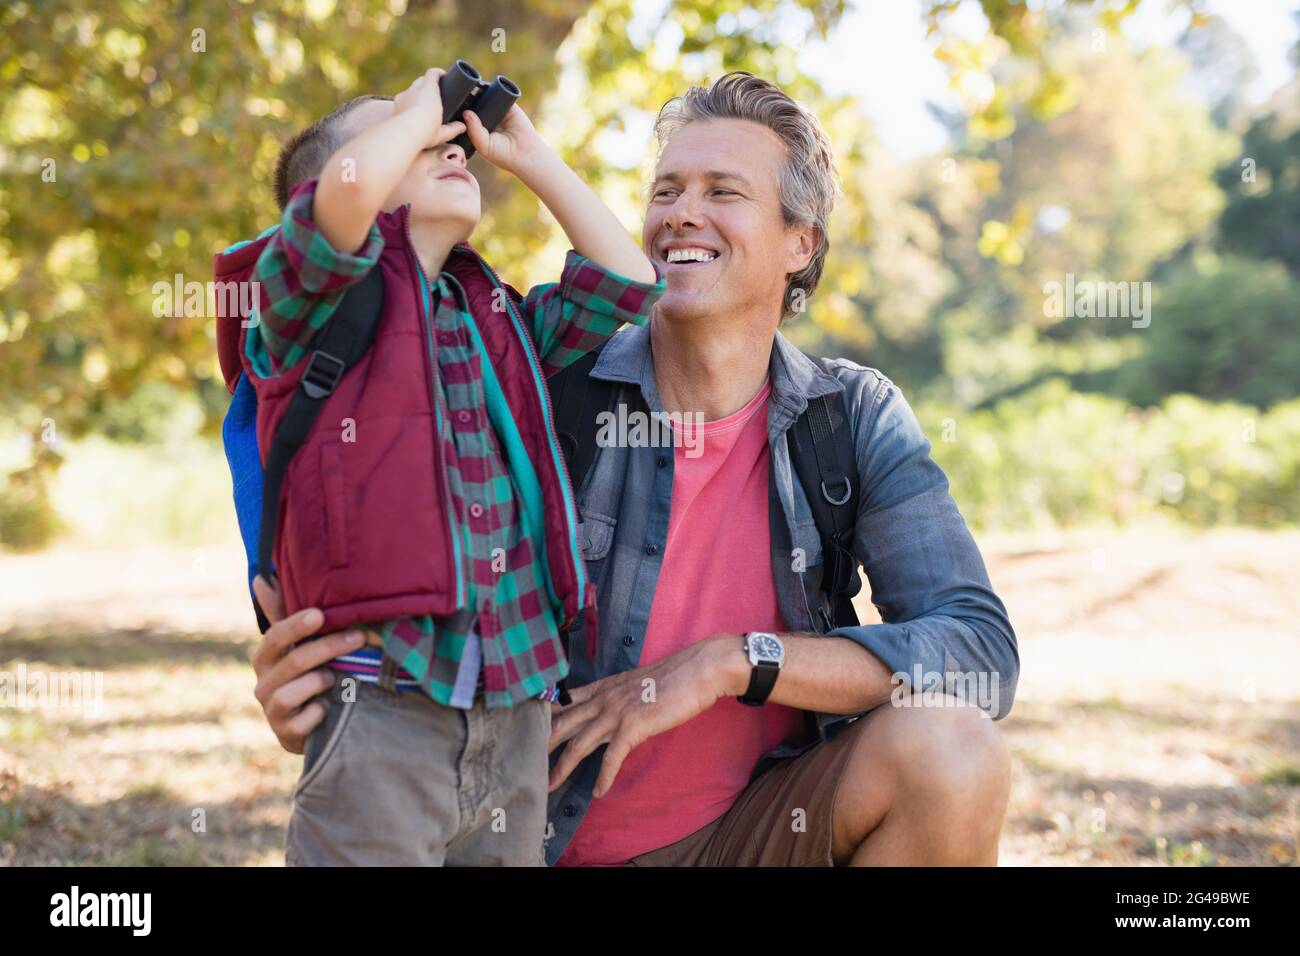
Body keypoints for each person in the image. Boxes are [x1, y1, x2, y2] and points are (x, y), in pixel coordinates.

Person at [243, 71, 1018, 867]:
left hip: (747, 835)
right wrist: (335, 681)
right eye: (668, 189)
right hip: (531, 838)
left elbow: (978, 654)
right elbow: (361, 482)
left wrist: (730, 662)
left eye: (724, 191)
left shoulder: (848, 418)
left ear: (801, 241)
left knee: (953, 754)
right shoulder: (535, 374)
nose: (682, 212)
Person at [219, 66, 663, 865]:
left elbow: (628, 283)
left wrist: (529, 158)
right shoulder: (304, 304)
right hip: (384, 701)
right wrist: (417, 102)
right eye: (410, 135)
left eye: (450, 133)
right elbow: (339, 207)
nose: (446, 138)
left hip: (517, 704)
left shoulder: (495, 317)